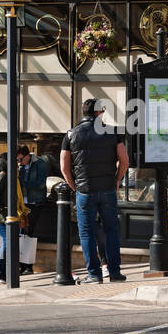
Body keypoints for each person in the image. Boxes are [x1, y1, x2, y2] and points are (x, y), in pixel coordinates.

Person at [61, 98, 130, 283]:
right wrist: (117, 180)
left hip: (85, 190)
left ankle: (94, 274)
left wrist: (75, 186)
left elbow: (64, 168)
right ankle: (114, 272)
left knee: (87, 233)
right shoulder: (113, 132)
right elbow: (124, 161)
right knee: (111, 231)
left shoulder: (71, 134)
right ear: (99, 113)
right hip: (107, 188)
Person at [0, 165, 29, 283]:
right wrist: (3, 211)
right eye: (16, 162)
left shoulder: (13, 176)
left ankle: (4, 273)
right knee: (8, 240)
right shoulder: (2, 177)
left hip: (11, 215)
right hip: (0, 217)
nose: (18, 165)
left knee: (11, 241)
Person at [16, 145, 48, 275]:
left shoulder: (40, 163)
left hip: (34, 203)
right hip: (22, 204)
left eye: (20, 159)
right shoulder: (20, 166)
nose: (19, 162)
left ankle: (28, 266)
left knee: (29, 233)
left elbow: (41, 183)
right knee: (20, 233)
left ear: (27, 155)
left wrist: (23, 183)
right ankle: (20, 264)